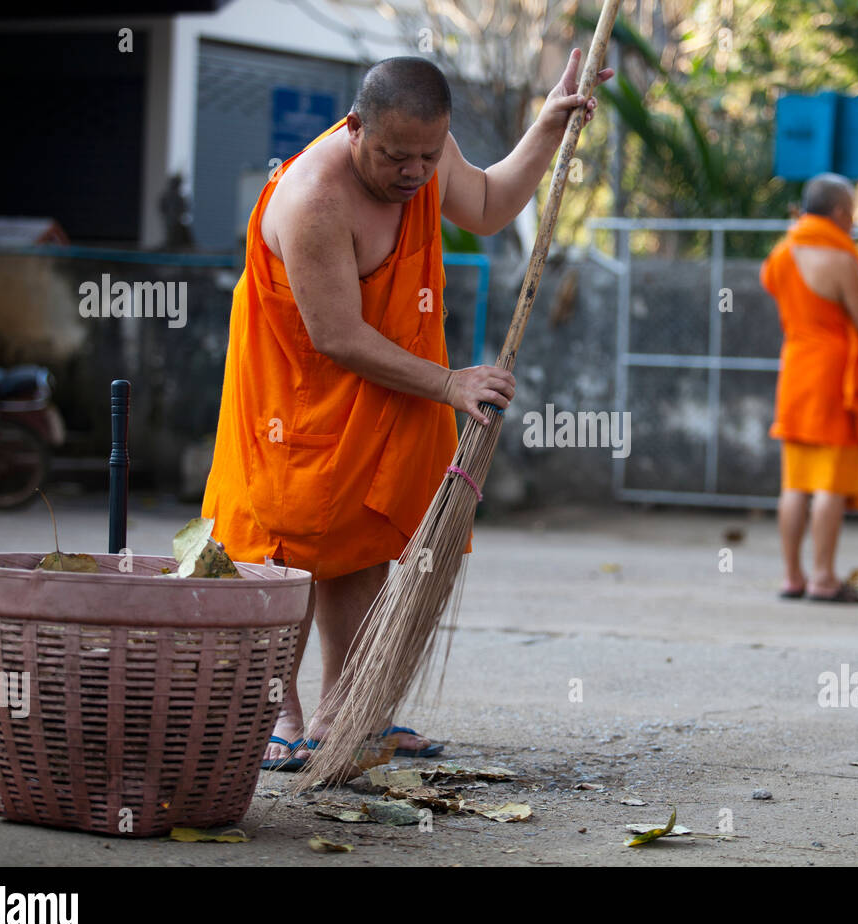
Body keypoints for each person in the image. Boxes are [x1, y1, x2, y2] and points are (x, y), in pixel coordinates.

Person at [202, 53, 613, 770]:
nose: (415, 173)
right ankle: (278, 714)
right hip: (300, 395)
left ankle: (346, 710)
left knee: (364, 541)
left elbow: (485, 205)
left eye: (428, 155)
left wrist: (548, 127)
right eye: (395, 156)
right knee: (289, 548)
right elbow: (336, 335)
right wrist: (452, 384)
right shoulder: (315, 200)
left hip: (392, 389)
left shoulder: (425, 149)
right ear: (356, 127)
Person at [759, 173, 858, 604]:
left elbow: (771, 284)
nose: (854, 224)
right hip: (835, 379)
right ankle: (823, 578)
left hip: (796, 373)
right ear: (840, 213)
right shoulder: (840, 260)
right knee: (829, 484)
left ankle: (793, 577)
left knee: (794, 485)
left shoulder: (783, 254)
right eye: (853, 214)